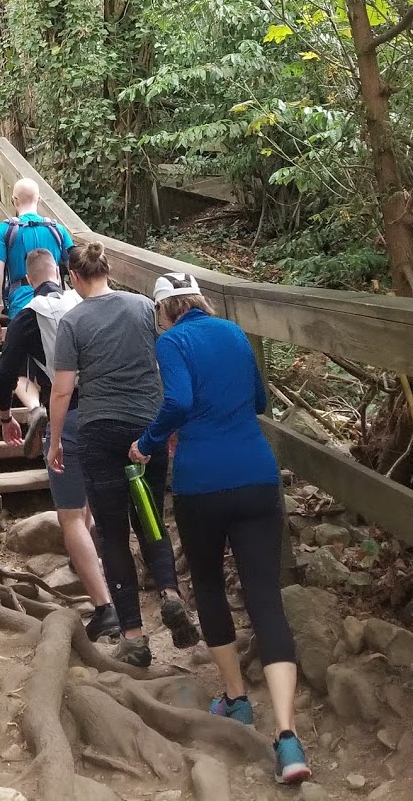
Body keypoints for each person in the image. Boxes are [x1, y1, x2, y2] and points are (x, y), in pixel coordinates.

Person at [130, 271, 311, 786]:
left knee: (208, 585)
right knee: (265, 598)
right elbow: (259, 402)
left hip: (202, 484)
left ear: (164, 310)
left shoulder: (173, 341)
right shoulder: (233, 333)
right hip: (256, 475)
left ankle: (235, 700)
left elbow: (179, 400)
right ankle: (287, 736)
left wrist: (148, 441)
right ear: (199, 300)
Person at [47, 241, 199, 667]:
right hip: (146, 426)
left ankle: (132, 634)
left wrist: (57, 440)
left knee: (112, 533)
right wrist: (168, 424)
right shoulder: (141, 308)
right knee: (150, 515)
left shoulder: (73, 320)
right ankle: (170, 592)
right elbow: (165, 361)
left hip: (98, 431)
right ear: (108, 270)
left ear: (73, 278)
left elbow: (62, 388)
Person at [0, 247, 120, 642]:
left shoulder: (29, 313)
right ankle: (113, 580)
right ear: (63, 274)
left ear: (29, 280)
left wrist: (4, 416)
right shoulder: (88, 301)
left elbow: (4, 374)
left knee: (69, 516)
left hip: (68, 415)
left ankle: (104, 608)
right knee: (90, 508)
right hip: (113, 410)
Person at [0, 179, 73, 453]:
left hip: (24, 307)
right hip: (62, 307)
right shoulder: (58, 229)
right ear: (39, 200)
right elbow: (77, 265)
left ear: (13, 201)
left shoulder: (6, 230)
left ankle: (35, 409)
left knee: (21, 368)